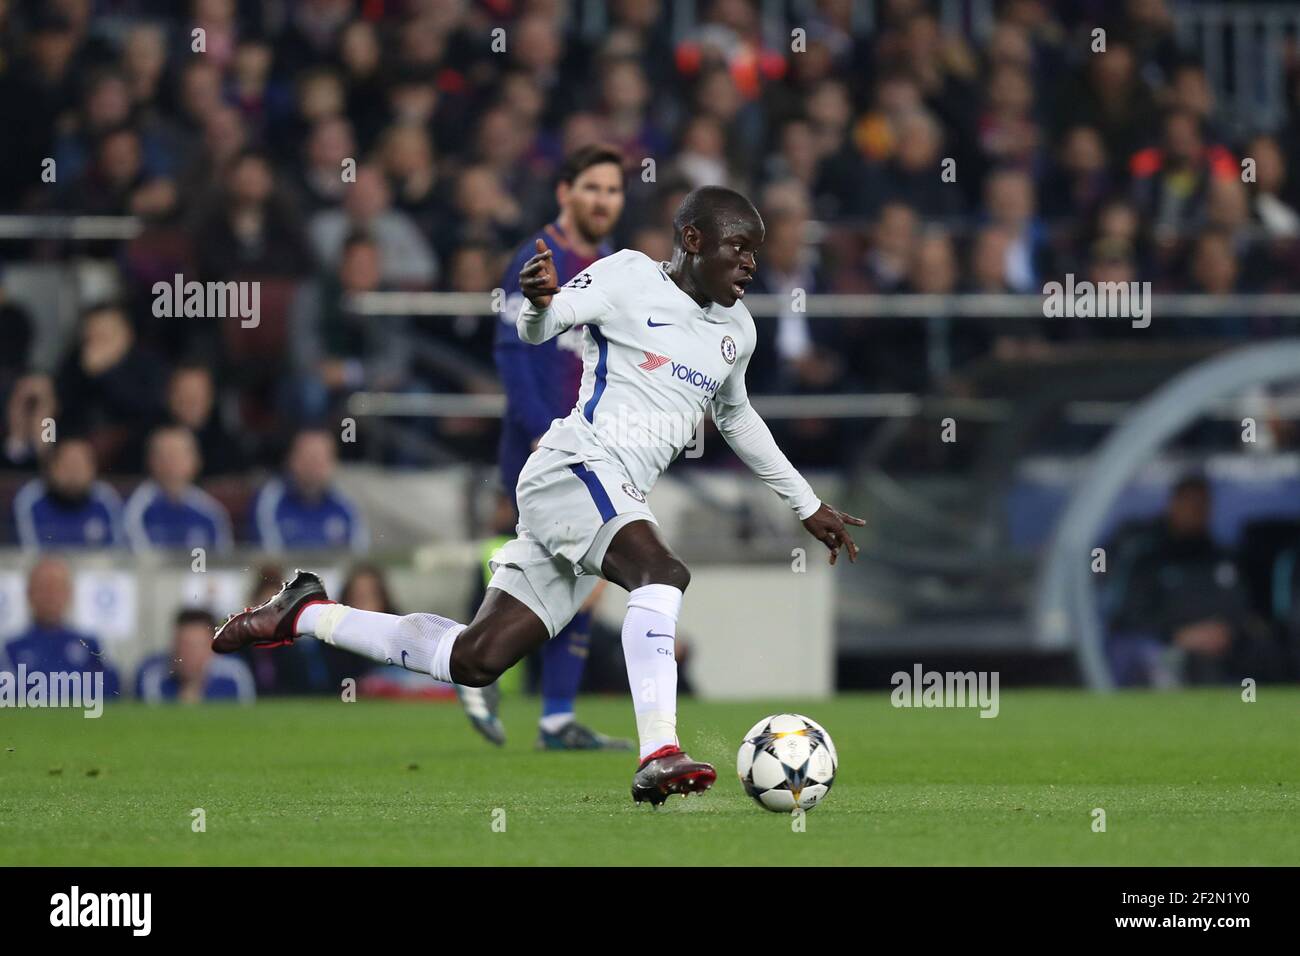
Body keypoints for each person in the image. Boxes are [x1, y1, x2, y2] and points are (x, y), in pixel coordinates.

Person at [213, 186, 863, 805]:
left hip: (610, 498)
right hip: (574, 468)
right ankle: (659, 751)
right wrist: (537, 303)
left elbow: (738, 417)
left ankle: (302, 613)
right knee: (662, 573)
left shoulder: (738, 330)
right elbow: (542, 328)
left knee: (474, 658)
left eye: (756, 249)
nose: (751, 261)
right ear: (692, 238)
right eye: (738, 246)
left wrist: (806, 503)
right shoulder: (629, 275)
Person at [472, 143, 631, 751]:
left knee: (569, 575)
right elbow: (512, 350)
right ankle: (496, 679)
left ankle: (525, 699)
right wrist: (541, 429)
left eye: (612, 191)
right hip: (543, 444)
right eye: (591, 187)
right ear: (565, 192)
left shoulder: (613, 262)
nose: (602, 200)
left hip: (588, 444)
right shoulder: (539, 255)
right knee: (576, 572)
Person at [1, 556, 119, 697]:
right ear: (29, 593)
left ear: (69, 593)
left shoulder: (89, 645)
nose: (50, 596)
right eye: (43, 588)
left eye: (56, 587)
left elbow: (110, 689)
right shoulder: (11, 649)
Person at [250, 428, 368, 552]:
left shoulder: (345, 504)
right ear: (291, 459)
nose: (313, 465)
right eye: (307, 457)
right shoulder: (270, 500)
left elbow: (358, 556)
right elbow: (270, 558)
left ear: (333, 463)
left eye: (320, 458)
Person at [122, 426, 233, 553]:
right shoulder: (137, 509)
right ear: (151, 460)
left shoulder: (211, 511)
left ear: (196, 460)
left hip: (200, 572)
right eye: (164, 454)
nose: (171, 461)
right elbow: (140, 560)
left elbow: (223, 560)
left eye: (178, 454)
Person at [13, 437, 124, 549]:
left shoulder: (107, 499)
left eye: (80, 465)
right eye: (67, 465)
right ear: (52, 467)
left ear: (93, 468)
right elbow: (29, 555)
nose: (73, 473)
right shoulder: (30, 500)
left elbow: (119, 554)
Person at [136, 608, 254, 703]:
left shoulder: (234, 673)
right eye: (184, 645)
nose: (189, 654)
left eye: (197, 646)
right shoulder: (153, 675)